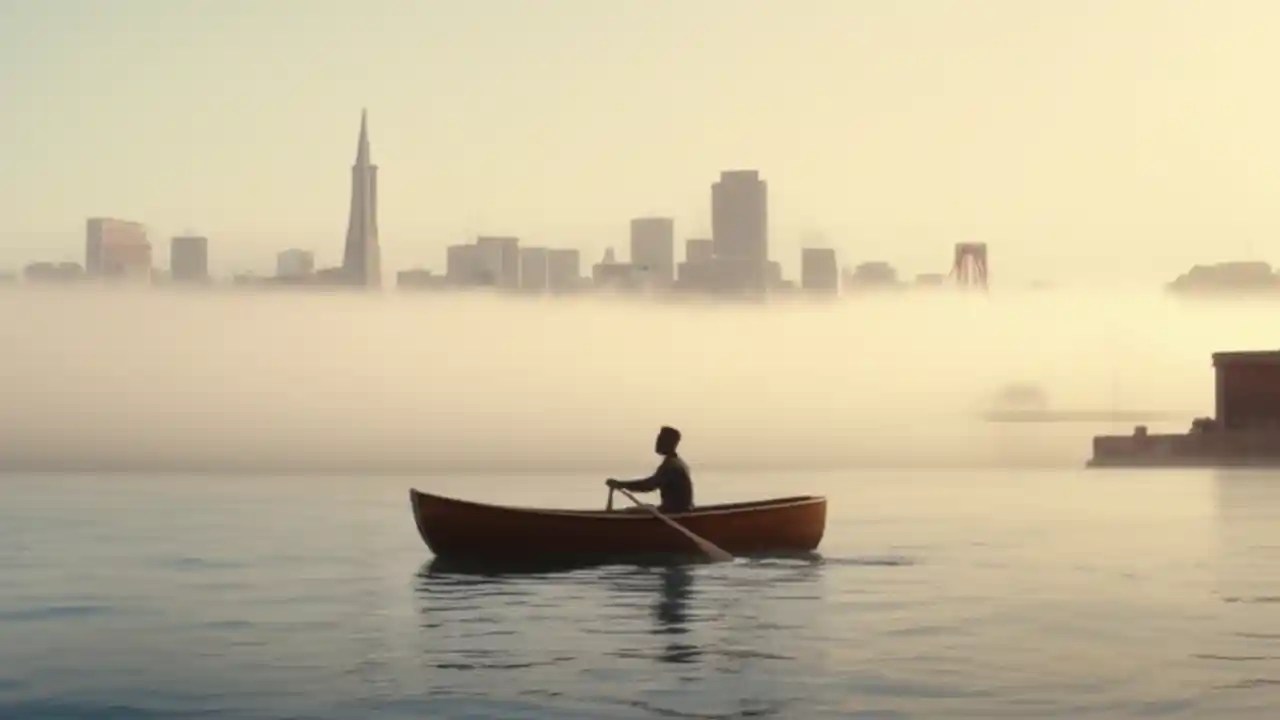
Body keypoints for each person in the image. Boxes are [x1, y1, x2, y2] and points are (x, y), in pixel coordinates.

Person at [606, 426, 693, 513]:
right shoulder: (677, 462)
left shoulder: (672, 466)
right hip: (676, 510)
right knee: (636, 510)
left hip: (674, 512)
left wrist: (620, 484)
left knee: (629, 512)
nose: (657, 442)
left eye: (661, 439)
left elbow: (649, 485)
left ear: (669, 443)